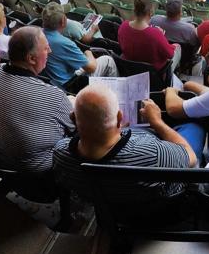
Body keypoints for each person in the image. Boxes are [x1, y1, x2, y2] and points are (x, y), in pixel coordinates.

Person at [53, 84, 197, 202]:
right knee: (193, 126)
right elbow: (191, 157)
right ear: (120, 117)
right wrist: (157, 122)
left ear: (73, 118)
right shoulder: (152, 154)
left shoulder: (60, 152)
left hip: (113, 213)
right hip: (160, 212)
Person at [0, 27, 74, 174]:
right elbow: (77, 129)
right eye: (46, 48)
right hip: (33, 176)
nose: (50, 51)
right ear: (31, 58)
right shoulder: (54, 96)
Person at [41, 3, 118, 87]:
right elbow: (91, 68)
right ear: (63, 21)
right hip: (70, 85)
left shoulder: (38, 34)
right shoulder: (64, 43)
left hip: (52, 80)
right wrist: (88, 53)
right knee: (108, 60)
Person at [118, 0, 179, 71]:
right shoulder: (155, 34)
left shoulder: (123, 26)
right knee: (177, 47)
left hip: (129, 69)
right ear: (150, 13)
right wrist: (162, 37)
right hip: (153, 75)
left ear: (135, 10)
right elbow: (170, 54)